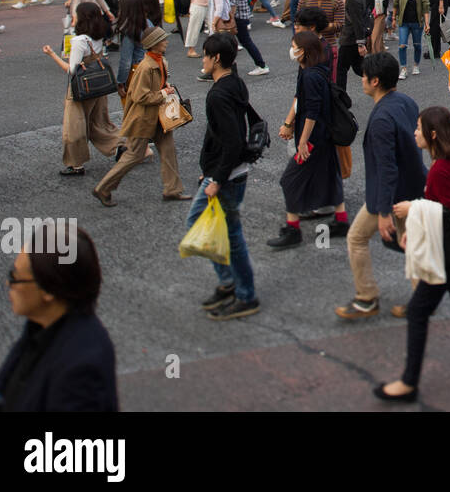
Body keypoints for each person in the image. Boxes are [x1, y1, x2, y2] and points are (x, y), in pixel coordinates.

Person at [374, 105, 450, 401]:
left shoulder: (441, 168)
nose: (414, 132)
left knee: (417, 311)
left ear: (431, 135)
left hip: (447, 253)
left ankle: (408, 382)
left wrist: (412, 209)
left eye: (418, 129)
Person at [0, 227, 119, 411]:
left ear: (47, 290)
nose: (9, 283)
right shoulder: (40, 327)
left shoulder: (81, 368)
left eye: (16, 277)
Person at [336, 52, 427, 321]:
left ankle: (367, 298)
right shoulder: (407, 102)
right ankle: (419, 300)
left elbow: (387, 168)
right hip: (413, 186)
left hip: (391, 195)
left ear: (375, 81)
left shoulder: (380, 121)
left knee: (359, 239)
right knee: (411, 245)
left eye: (364, 76)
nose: (361, 80)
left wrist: (385, 211)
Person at [188, 33, 261, 320]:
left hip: (227, 175)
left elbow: (232, 142)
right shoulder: (234, 83)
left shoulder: (218, 94)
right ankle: (232, 283)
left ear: (216, 58)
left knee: (219, 231)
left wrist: (215, 179)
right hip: (229, 171)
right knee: (226, 233)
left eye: (206, 55)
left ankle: (243, 292)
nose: (203, 60)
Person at [268, 30, 349, 248]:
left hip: (313, 138)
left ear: (303, 51)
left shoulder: (310, 76)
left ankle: (293, 229)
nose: (291, 50)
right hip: (324, 136)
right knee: (329, 175)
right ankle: (341, 221)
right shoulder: (315, 71)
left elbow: (312, 111)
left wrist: (302, 141)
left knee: (289, 180)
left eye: (294, 46)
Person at [92, 26, 188, 206]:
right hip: (143, 119)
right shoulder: (146, 67)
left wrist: (164, 88)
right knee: (134, 155)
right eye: (163, 40)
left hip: (157, 117)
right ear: (154, 44)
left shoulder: (159, 61)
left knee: (168, 151)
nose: (166, 41)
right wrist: (165, 94)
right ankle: (103, 188)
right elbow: (139, 97)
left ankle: (172, 190)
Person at [41, 2, 122, 176]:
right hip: (98, 87)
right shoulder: (99, 35)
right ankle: (122, 147)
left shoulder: (79, 40)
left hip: (81, 89)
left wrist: (51, 54)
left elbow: (71, 70)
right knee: (99, 123)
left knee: (74, 127)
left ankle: (76, 164)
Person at [225, 0, 269, 76]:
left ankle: (261, 65)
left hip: (239, 16)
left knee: (244, 42)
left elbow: (233, 2)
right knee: (240, 41)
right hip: (244, 13)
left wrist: (230, 19)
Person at [335, 0, 368, 91]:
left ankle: (340, 97)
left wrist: (361, 43)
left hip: (350, 38)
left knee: (341, 69)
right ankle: (380, 79)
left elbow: (357, 21)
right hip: (355, 38)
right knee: (359, 67)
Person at [394, 0, 429, 79]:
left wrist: (427, 24)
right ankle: (403, 68)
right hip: (403, 22)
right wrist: (394, 19)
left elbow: (426, 8)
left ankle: (416, 65)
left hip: (417, 22)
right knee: (402, 45)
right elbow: (395, 5)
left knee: (417, 45)